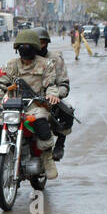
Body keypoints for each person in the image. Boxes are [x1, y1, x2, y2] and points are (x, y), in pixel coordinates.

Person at [0, 30, 61, 180]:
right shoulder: (11, 65)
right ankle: (3, 160)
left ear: (35, 48)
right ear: (17, 48)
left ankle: (47, 158)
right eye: (22, 46)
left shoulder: (46, 64)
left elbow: (51, 84)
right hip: (13, 105)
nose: (25, 48)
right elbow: (0, 84)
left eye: (28, 46)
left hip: (36, 105)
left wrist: (52, 95)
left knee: (41, 122)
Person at [36, 28, 73, 162]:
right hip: (27, 101)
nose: (39, 46)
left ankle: (60, 144)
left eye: (41, 42)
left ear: (46, 43)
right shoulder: (24, 60)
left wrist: (56, 95)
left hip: (48, 100)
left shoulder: (55, 59)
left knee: (67, 113)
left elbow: (64, 83)